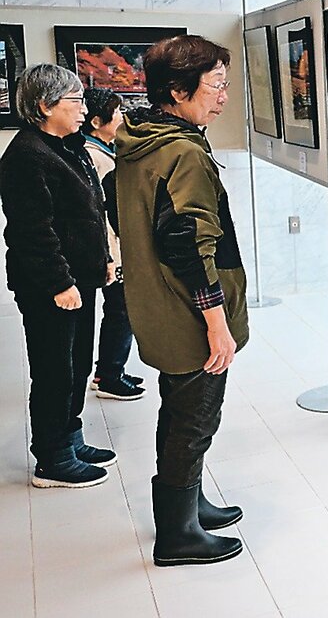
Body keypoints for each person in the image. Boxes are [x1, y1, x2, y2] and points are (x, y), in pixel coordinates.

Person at [114, 36, 249, 566]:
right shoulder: (184, 152)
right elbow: (190, 245)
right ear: (177, 90)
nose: (223, 97)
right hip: (187, 313)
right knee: (194, 421)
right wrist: (217, 324)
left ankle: (188, 507)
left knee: (178, 412)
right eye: (215, 86)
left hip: (157, 304)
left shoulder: (141, 140)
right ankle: (177, 535)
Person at [0, 64, 116, 488]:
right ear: (45, 105)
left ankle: (70, 437)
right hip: (50, 285)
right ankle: (51, 459)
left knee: (78, 364)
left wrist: (103, 258)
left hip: (79, 278)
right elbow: (32, 232)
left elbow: (92, 211)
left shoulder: (69, 145)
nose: (84, 109)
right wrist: (60, 283)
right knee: (54, 371)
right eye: (76, 101)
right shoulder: (26, 156)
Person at [82, 87, 145, 400]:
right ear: (96, 121)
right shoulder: (94, 157)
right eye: (116, 112)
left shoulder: (101, 150)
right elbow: (104, 211)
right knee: (122, 309)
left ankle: (109, 369)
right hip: (112, 248)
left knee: (119, 309)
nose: (122, 117)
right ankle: (109, 375)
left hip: (113, 245)